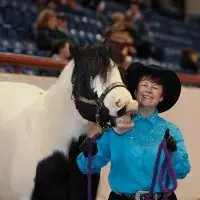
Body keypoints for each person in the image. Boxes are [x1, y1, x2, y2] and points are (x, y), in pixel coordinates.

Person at [76, 62, 191, 200]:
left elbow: (182, 171)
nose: (149, 90)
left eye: (155, 87)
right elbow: (86, 167)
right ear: (135, 92)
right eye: (144, 85)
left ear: (161, 97)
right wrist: (90, 153)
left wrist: (174, 152)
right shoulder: (114, 127)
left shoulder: (171, 131)